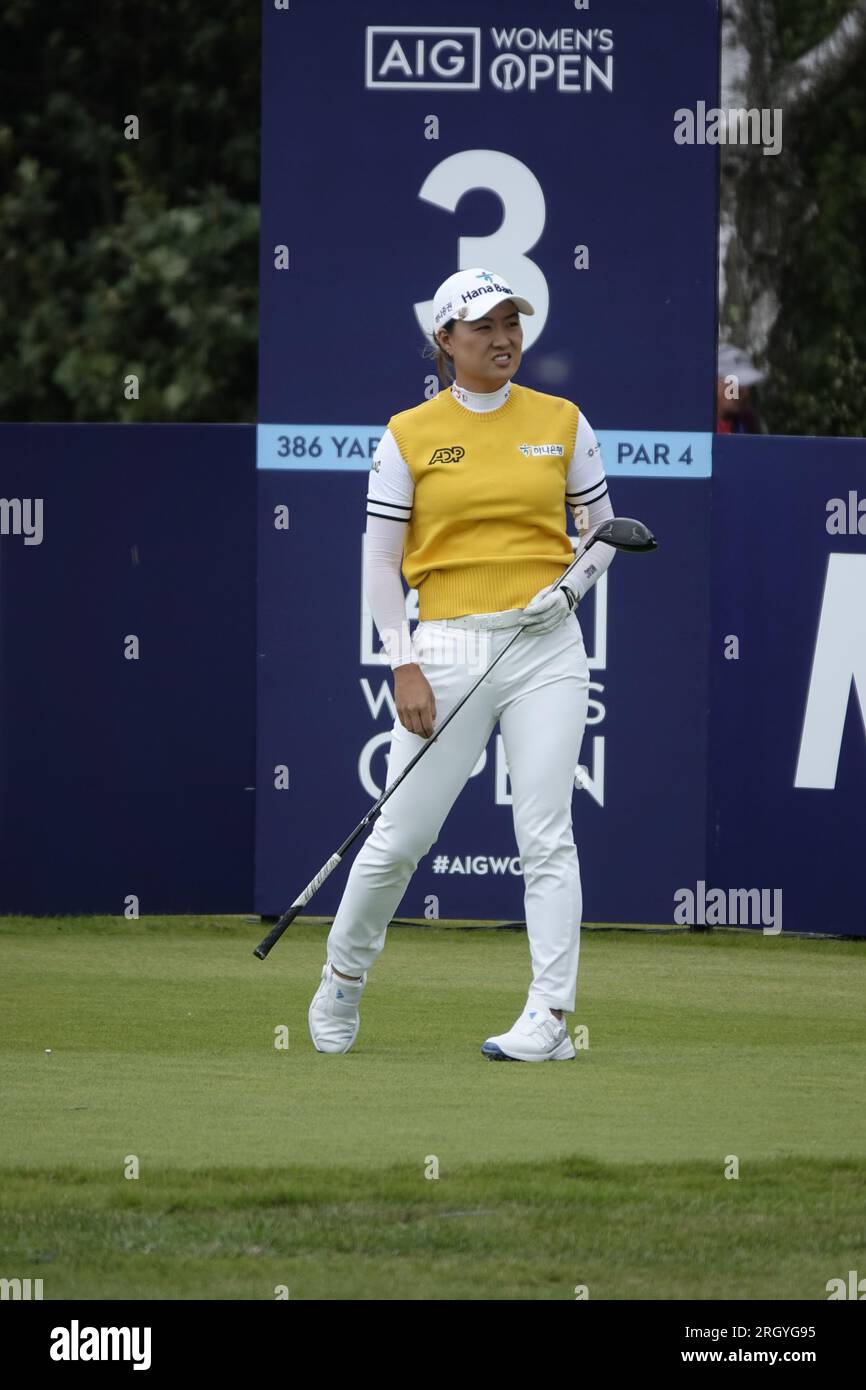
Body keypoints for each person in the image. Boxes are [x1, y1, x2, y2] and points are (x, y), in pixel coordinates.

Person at [308, 267, 617, 1061]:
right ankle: (343, 977)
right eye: (482, 326)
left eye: (511, 322)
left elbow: (606, 531)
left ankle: (549, 1017)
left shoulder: (564, 420)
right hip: (443, 646)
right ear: (446, 341)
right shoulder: (408, 433)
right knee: (401, 838)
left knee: (547, 833)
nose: (503, 337)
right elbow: (380, 564)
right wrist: (402, 663)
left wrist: (570, 591)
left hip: (546, 646)